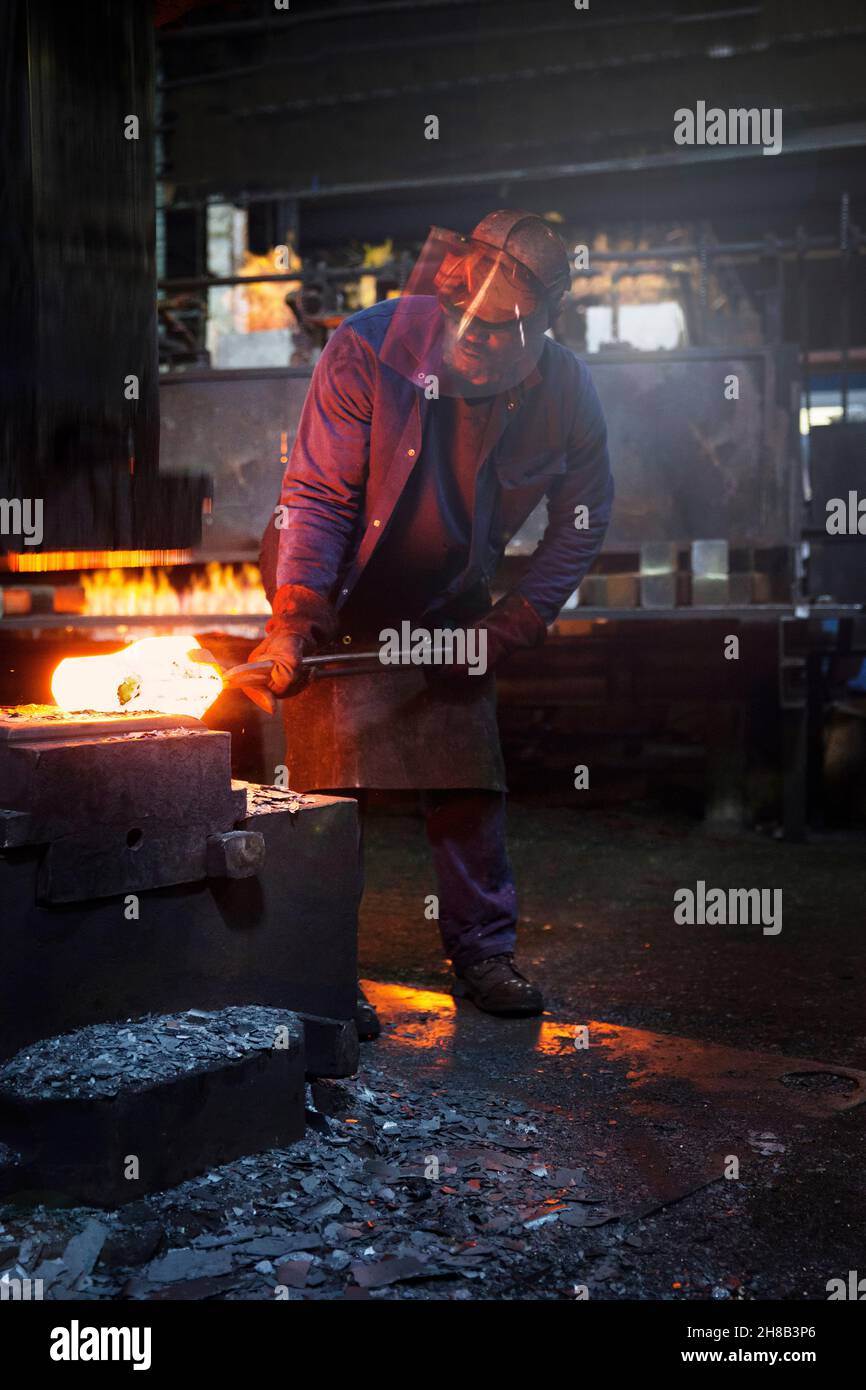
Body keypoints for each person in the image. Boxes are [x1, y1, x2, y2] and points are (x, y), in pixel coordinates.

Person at [255, 210, 613, 1039]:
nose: (474, 341)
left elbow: (584, 515)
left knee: (465, 782)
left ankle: (483, 951)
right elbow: (318, 498)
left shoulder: (564, 390)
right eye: (461, 321)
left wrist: (513, 621)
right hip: (337, 596)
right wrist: (298, 613)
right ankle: (321, 969)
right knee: (322, 799)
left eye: (498, 330)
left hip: (451, 601)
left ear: (542, 327)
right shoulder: (368, 348)